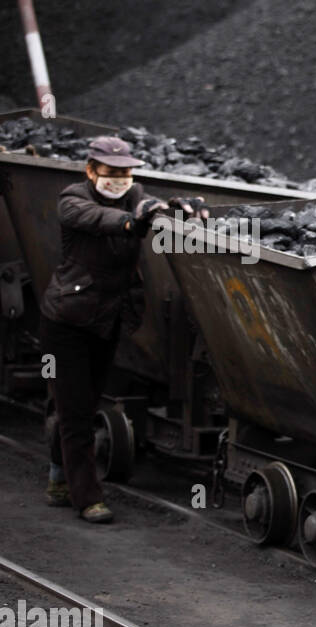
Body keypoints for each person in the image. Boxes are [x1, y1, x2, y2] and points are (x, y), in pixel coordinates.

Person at [40, 136, 207, 523]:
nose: (119, 180)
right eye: (111, 174)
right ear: (91, 170)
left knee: (80, 402)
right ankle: (87, 499)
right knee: (77, 410)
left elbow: (150, 209)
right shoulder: (72, 199)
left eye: (126, 174)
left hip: (108, 318)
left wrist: (176, 208)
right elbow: (103, 220)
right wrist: (136, 218)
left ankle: (57, 477)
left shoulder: (135, 193)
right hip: (67, 320)